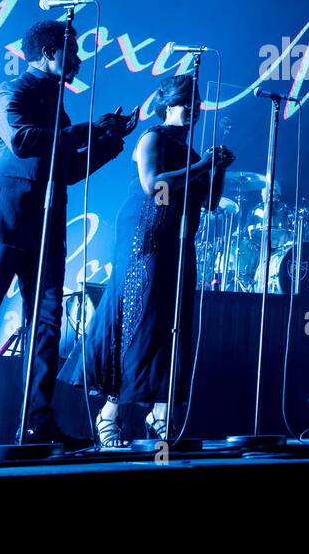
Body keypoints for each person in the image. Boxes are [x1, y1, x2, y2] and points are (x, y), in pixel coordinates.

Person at [0, 20, 136, 455]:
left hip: (46, 224)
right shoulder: (9, 92)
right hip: (2, 222)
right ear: (46, 53)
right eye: (71, 52)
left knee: (46, 325)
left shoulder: (58, 107)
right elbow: (22, 141)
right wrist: (91, 130)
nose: (77, 61)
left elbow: (68, 170)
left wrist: (110, 142)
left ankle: (37, 424)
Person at [61, 74, 234, 447]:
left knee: (172, 320)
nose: (193, 112)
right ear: (167, 106)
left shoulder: (191, 155)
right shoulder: (151, 138)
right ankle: (111, 412)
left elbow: (209, 203)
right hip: (145, 235)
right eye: (186, 105)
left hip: (177, 239)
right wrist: (203, 166)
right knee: (138, 315)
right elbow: (153, 185)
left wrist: (216, 169)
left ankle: (160, 413)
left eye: (197, 106)